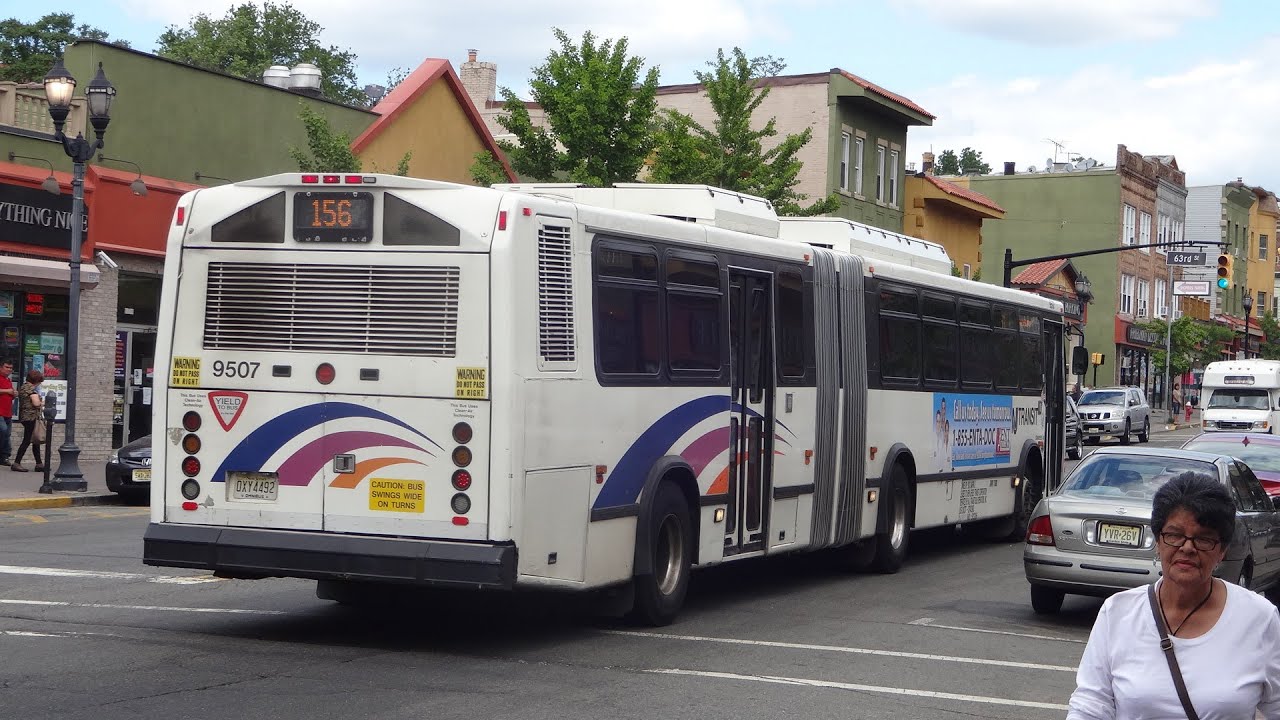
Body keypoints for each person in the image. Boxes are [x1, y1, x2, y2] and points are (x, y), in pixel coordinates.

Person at [1067, 472, 1280, 718]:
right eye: (1175, 535)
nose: (1187, 548)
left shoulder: (1258, 618)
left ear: (1222, 551)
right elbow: (1090, 707)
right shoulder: (1117, 613)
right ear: (1158, 540)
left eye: (1203, 539)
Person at [11, 370, 44, 473]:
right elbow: (36, 403)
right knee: (27, 440)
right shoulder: (31, 389)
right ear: (36, 380)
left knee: (35, 441)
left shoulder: (23, 386)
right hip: (31, 417)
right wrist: (43, 403)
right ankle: (17, 463)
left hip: (25, 417)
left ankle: (39, 464)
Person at [0, 359, 15, 466]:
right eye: (7, 367)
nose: (9, 370)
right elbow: (6, 391)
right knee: (3, 430)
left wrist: (14, 393)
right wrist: (7, 391)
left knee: (7, 434)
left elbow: (10, 393)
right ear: (1, 367)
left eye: (10, 368)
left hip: (8, 412)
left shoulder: (8, 380)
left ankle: (4, 457)